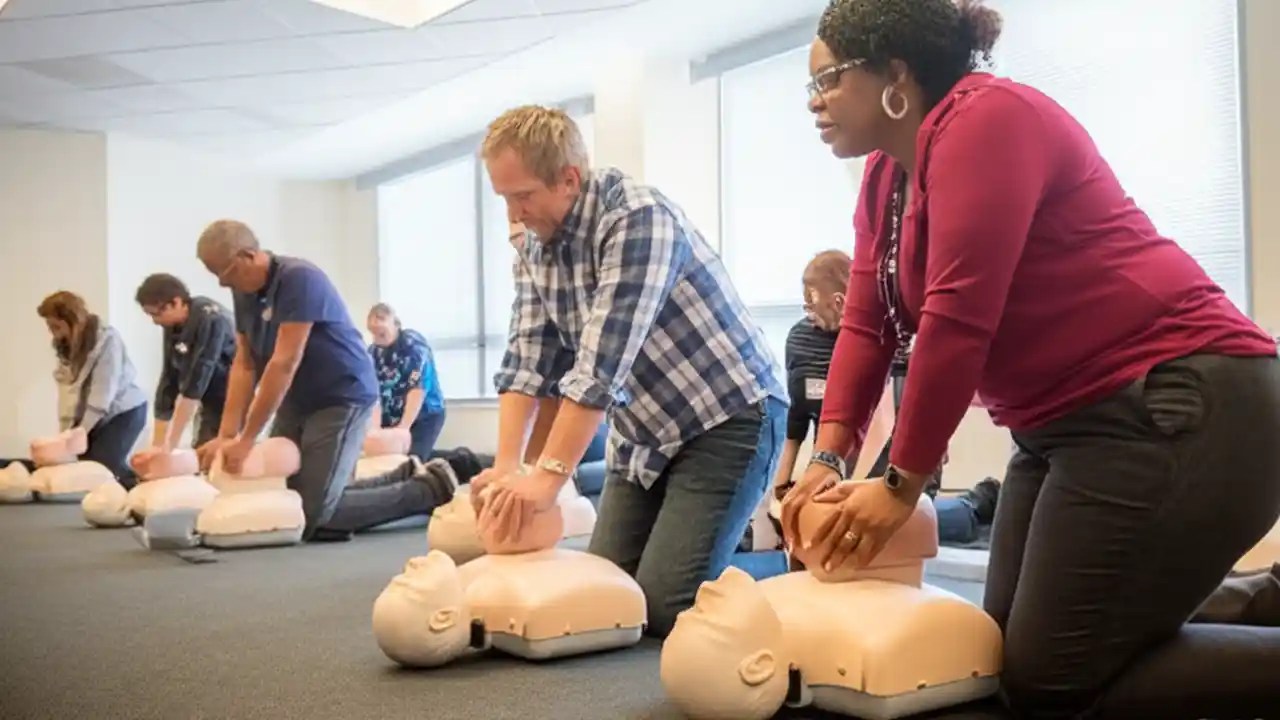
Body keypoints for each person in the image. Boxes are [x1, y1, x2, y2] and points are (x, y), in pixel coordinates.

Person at [781, 0, 1280, 716]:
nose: (815, 104)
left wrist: (899, 485)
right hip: (1061, 428)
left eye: (827, 81)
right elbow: (866, 322)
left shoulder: (988, 120)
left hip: (1177, 403)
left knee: (1053, 680)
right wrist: (826, 458)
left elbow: (958, 318)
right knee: (1002, 645)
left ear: (896, 74)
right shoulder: (886, 178)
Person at [473, 105, 789, 637]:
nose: (515, 213)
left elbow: (601, 364)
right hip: (643, 434)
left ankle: (777, 574)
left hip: (728, 419)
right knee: (612, 595)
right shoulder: (532, 245)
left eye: (522, 195)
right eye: (504, 199)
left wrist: (548, 478)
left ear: (568, 179)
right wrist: (508, 468)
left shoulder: (638, 219)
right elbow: (526, 355)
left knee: (666, 605)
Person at [194, 220, 457, 541]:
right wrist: (227, 435)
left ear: (249, 255)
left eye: (225, 274)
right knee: (283, 487)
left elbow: (284, 362)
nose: (223, 285)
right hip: (298, 399)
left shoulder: (298, 278)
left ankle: (429, 489)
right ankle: (399, 476)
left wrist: (248, 438)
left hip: (342, 395)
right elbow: (245, 364)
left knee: (310, 513)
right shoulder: (243, 292)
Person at [773, 250, 998, 548]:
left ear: (839, 302)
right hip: (843, 464)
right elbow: (799, 415)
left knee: (884, 528)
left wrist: (927, 451)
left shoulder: (890, 337)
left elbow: (920, 400)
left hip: (890, 458)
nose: (809, 313)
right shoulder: (802, 341)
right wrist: (785, 480)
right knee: (840, 527)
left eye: (813, 304)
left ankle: (973, 505)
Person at [37, 291, 148, 484]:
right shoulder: (65, 345)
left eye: (56, 326)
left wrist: (79, 433)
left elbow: (102, 393)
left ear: (73, 320)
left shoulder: (107, 340)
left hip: (123, 411)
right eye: (50, 327)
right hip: (95, 413)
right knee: (82, 465)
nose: (53, 332)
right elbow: (67, 394)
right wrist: (65, 435)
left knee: (102, 467)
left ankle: (137, 488)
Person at [132, 273, 235, 456]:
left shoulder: (211, 318)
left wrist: (169, 446)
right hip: (210, 398)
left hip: (235, 396)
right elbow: (169, 379)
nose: (155, 321)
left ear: (177, 302)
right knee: (200, 450)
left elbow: (198, 377)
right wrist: (157, 444)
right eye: (150, 315)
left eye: (157, 313)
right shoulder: (171, 324)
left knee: (218, 455)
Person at [366, 303, 447, 460]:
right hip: (393, 413)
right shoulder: (373, 353)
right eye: (373, 333)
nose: (377, 337)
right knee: (393, 457)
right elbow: (375, 392)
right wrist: (376, 430)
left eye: (382, 332)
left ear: (396, 324)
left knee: (413, 460)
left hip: (424, 413)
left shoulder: (414, 347)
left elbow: (416, 388)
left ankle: (462, 461)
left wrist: (403, 429)